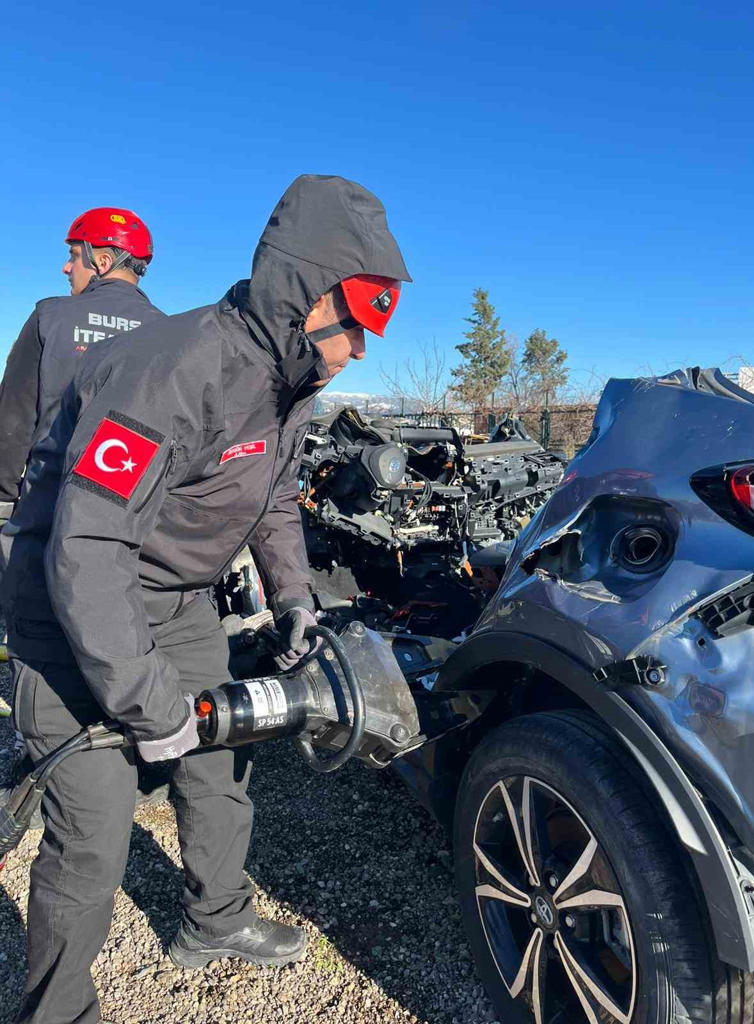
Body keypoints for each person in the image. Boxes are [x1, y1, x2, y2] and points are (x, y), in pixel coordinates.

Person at [0, 174, 410, 1024]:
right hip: (72, 602)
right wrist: (146, 700)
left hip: (181, 600)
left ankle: (212, 921)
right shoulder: (175, 367)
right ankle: (57, 1012)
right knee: (92, 832)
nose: (363, 350)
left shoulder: (287, 386)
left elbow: (273, 499)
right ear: (306, 295)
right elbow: (90, 543)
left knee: (218, 770)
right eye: (362, 323)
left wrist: (294, 596)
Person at [0, 207, 160, 525]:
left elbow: (13, 419)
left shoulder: (49, 317)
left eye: (74, 256)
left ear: (102, 262)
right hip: (128, 526)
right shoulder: (169, 332)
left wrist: (3, 494)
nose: (66, 267)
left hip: (43, 512)